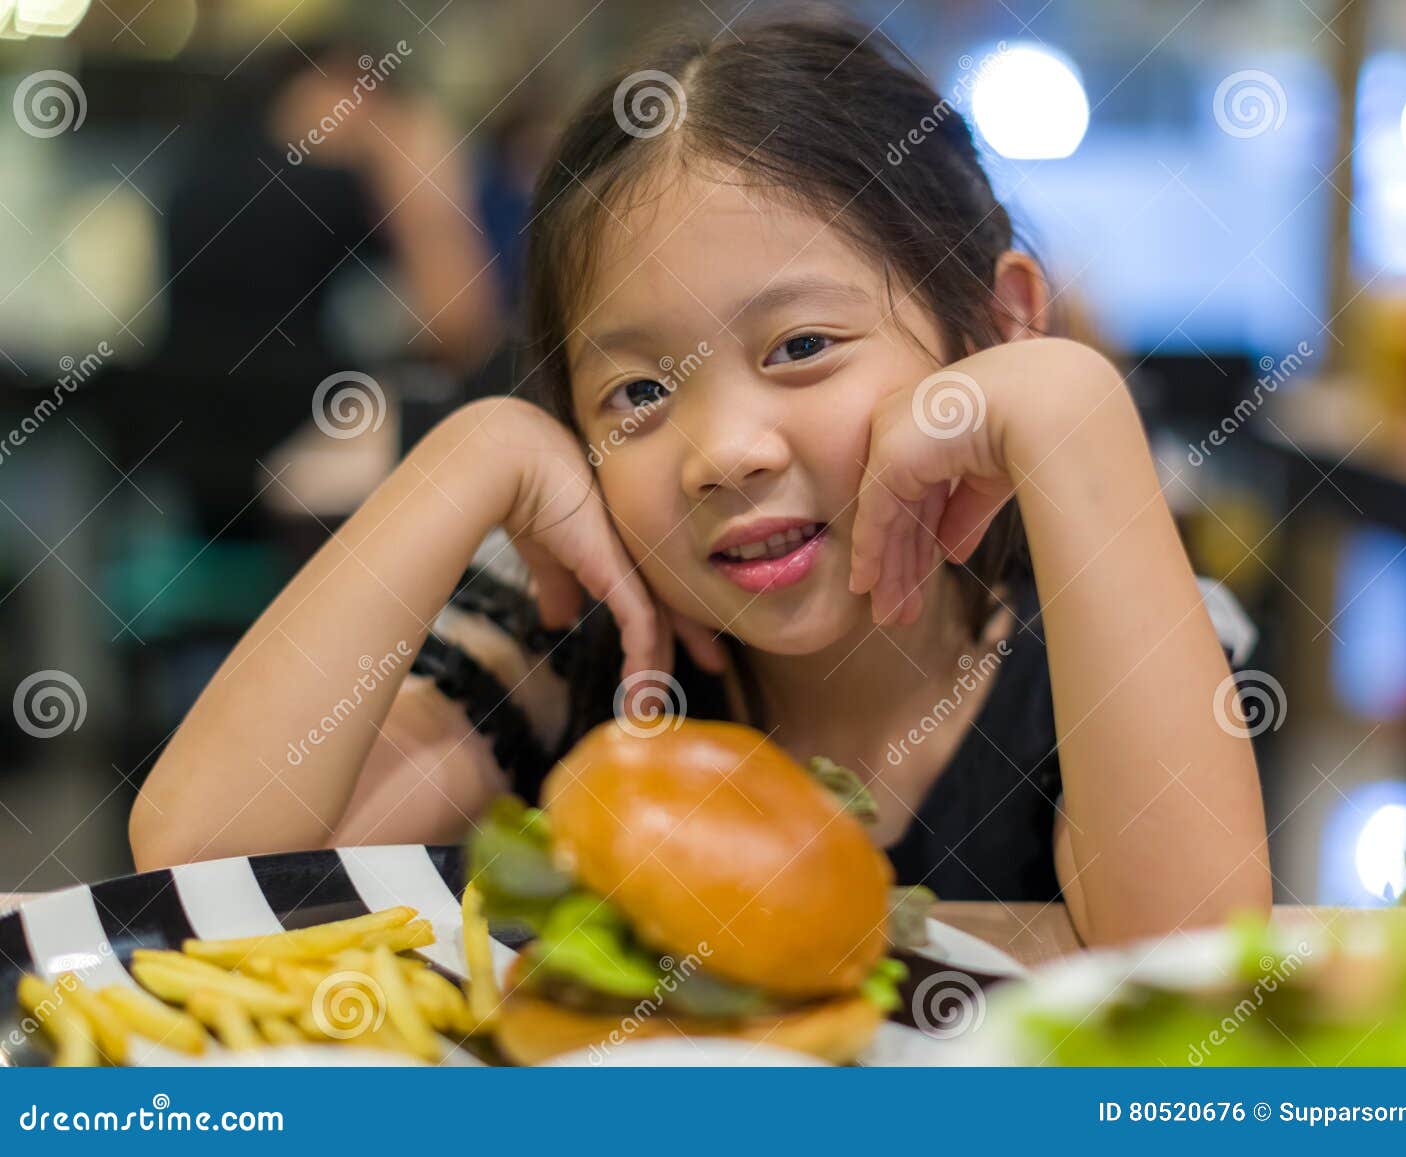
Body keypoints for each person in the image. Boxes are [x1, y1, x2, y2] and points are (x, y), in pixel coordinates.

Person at [130, 20, 1271, 947]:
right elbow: (197, 867)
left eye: (801, 347)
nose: (725, 450)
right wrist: (471, 453)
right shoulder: (559, 645)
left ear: (995, 331)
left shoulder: (1105, 649)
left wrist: (1072, 409)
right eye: (636, 393)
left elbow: (1195, 970)